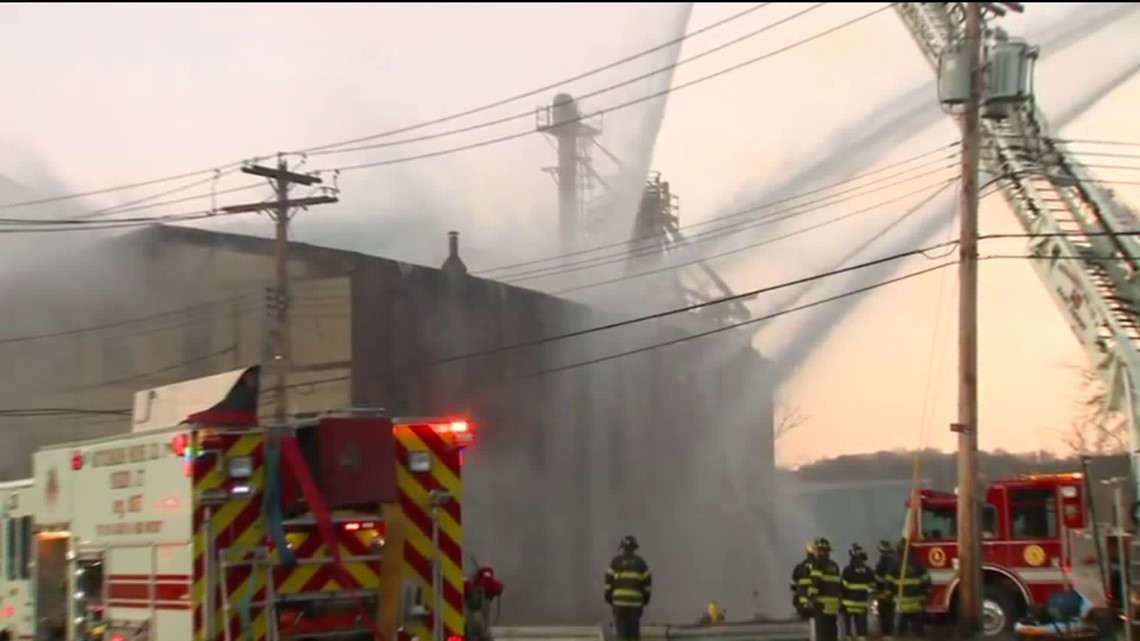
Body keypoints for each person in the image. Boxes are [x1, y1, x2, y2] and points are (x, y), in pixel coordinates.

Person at [605, 535, 652, 641]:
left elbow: (608, 584)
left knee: (622, 633)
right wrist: (644, 601)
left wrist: (609, 599)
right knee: (633, 634)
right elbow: (647, 585)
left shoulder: (615, 562)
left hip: (619, 604)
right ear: (634, 548)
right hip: (634, 604)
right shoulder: (641, 563)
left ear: (622, 548)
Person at [890, 538, 931, 637]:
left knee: (900, 633)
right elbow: (927, 583)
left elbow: (888, 584)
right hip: (916, 605)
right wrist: (925, 596)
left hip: (900, 606)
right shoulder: (918, 565)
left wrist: (889, 597)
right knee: (918, 632)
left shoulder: (894, 566)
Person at [809, 537, 843, 641]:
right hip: (833, 606)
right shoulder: (834, 566)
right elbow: (839, 585)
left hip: (821, 606)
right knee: (832, 633)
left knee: (822, 635)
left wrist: (811, 598)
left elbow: (815, 583)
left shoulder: (817, 564)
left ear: (819, 550)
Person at [841, 543, 874, 640]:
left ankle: (848, 637)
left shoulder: (847, 570)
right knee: (861, 628)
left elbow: (842, 586)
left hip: (848, 604)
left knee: (847, 628)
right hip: (862, 603)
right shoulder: (868, 570)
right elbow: (872, 586)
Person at [464, 565, 504, 641]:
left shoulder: (470, 583)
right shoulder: (484, 581)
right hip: (479, 616)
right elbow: (494, 585)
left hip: (468, 618)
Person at [873, 540, 897, 637]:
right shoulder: (897, 561)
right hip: (894, 595)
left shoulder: (883, 563)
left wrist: (877, 591)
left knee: (885, 619)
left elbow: (879, 580)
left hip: (884, 595)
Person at [791, 541, 817, 620]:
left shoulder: (799, 567)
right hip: (816, 602)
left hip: (802, 603)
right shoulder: (819, 567)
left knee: (804, 621)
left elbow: (793, 585)